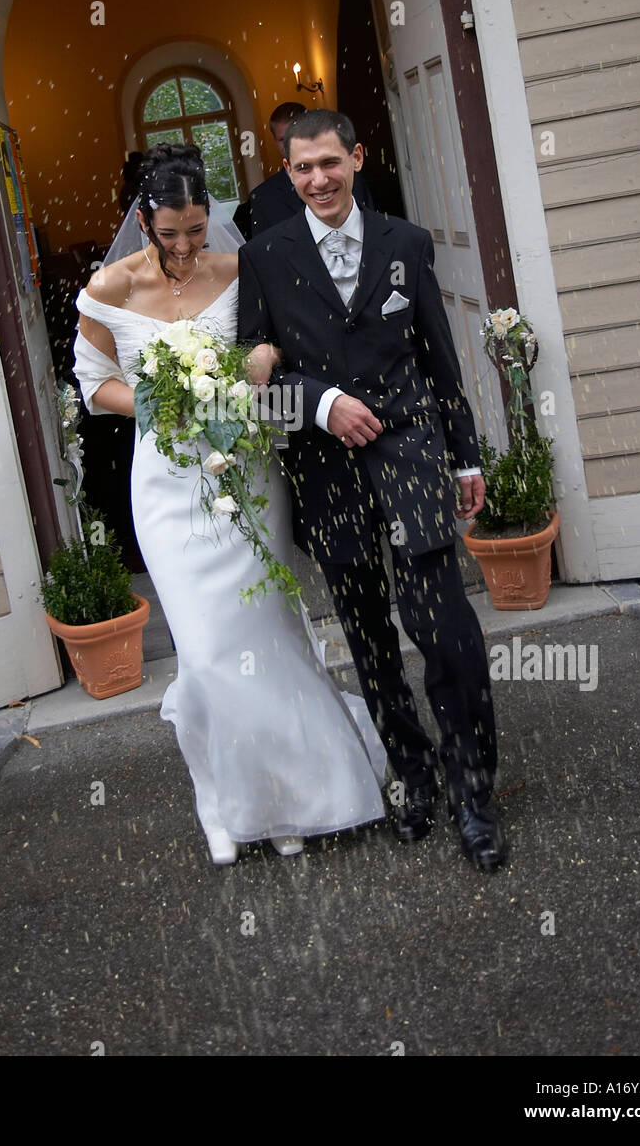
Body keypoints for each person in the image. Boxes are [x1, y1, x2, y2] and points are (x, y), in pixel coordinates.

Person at [71, 143, 388, 866]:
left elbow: (273, 340)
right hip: (168, 484)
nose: (185, 246)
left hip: (246, 473)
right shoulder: (109, 288)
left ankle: (297, 795)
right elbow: (96, 385)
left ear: (210, 216)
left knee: (264, 633)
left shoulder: (239, 267)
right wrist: (160, 401)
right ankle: (229, 802)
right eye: (170, 232)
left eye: (196, 228)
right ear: (144, 221)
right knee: (209, 653)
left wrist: (253, 368)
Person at [236, 109, 508, 870]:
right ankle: (413, 777)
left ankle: (472, 791)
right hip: (327, 475)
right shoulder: (264, 257)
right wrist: (321, 402)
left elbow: (439, 358)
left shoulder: (407, 244)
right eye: (302, 169)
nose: (318, 179)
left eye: (329, 163)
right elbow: (253, 377)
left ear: (355, 158)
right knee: (370, 639)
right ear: (286, 174)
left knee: (444, 628)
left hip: (413, 455)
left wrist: (465, 459)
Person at [233, 102, 373, 238]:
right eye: (282, 140)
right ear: (275, 141)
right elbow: (265, 253)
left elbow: (371, 230)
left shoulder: (350, 179)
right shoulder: (262, 197)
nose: (290, 145)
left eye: (296, 136)